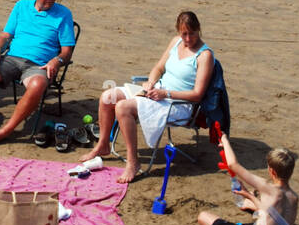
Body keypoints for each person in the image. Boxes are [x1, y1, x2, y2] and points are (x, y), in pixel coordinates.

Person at [85, 10, 214, 182]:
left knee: (123, 107)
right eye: (184, 34)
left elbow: (197, 95)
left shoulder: (205, 56)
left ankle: (133, 162)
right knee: (108, 97)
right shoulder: (176, 42)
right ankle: (103, 145)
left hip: (179, 104)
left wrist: (165, 93)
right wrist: (151, 83)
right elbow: (159, 68)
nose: (188, 39)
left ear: (199, 29)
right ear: (178, 32)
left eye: (192, 34)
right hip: (158, 92)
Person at [0, 0, 76, 149]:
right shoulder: (21, 6)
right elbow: (6, 35)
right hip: (12, 59)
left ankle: (7, 130)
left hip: (39, 65)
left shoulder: (63, 14)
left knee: (37, 84)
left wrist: (56, 61)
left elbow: (67, 51)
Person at [199, 139, 298, 225]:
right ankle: (249, 208)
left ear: (271, 171)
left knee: (203, 216)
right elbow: (273, 214)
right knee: (252, 205)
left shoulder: (267, 188)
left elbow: (233, 165)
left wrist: (225, 141)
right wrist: (249, 196)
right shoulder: (294, 197)